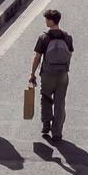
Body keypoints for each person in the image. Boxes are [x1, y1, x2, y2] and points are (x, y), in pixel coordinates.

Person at [30, 9, 73, 141]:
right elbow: (69, 54)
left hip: (48, 74)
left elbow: (37, 57)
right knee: (60, 103)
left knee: (46, 98)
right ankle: (57, 133)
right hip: (63, 75)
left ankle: (46, 123)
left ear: (50, 21)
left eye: (46, 19)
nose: (45, 21)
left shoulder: (44, 37)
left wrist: (32, 73)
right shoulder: (67, 37)